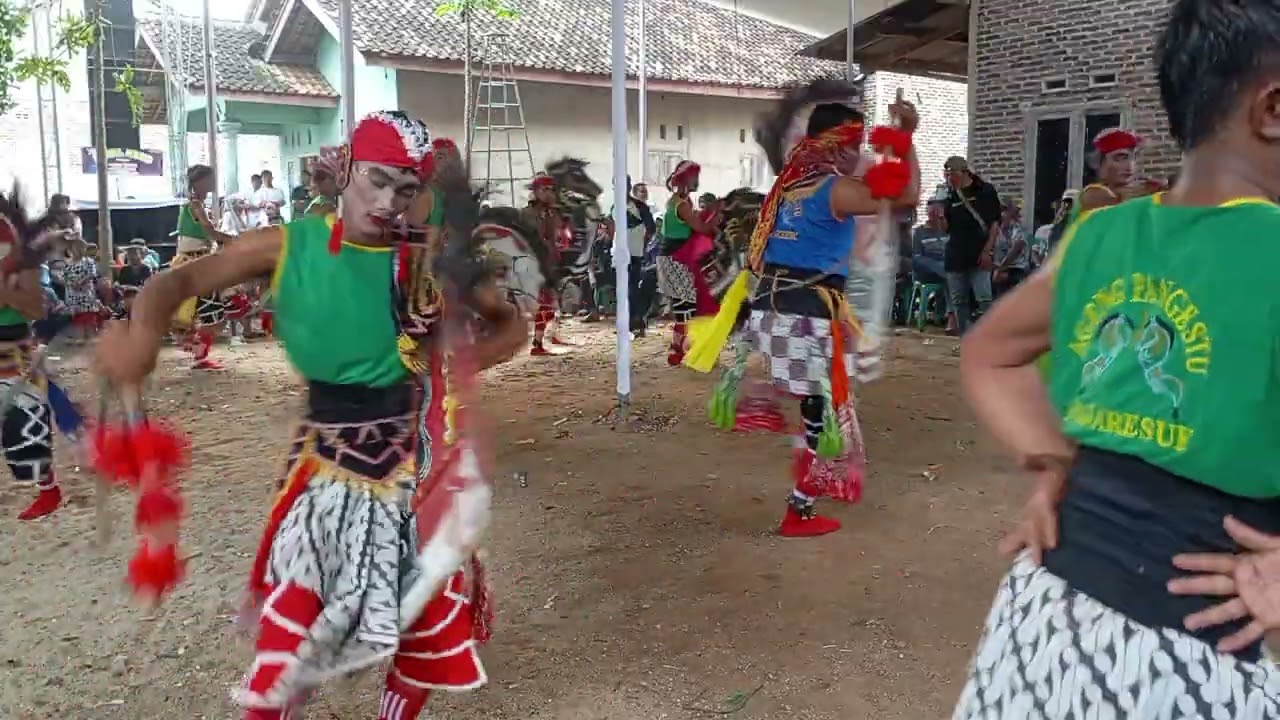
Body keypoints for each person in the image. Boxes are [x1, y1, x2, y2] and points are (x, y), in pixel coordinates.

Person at [94, 111, 528, 720]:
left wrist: (459, 361)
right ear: (346, 167)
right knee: (289, 635)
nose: (387, 201)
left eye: (405, 189)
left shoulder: (434, 260)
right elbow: (172, 285)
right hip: (327, 469)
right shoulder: (286, 244)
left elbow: (513, 323)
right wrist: (141, 340)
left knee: (428, 622)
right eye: (376, 180)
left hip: (420, 463)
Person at [953, 2, 1280, 715]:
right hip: (1188, 659)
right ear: (1273, 107)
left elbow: (990, 353)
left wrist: (1055, 461)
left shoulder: (1098, 237)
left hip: (1041, 623)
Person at [707, 93, 920, 537]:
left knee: (815, 409)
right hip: (805, 315)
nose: (860, 154)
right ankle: (798, 509)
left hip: (773, 311)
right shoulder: (833, 188)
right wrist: (905, 137)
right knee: (821, 414)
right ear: (838, 144)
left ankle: (802, 500)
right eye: (857, 143)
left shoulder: (787, 186)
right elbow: (907, 196)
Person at [173, 165, 237, 370]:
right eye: (210, 179)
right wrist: (237, 239)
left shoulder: (195, 205)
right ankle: (198, 353)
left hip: (196, 260)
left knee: (208, 313)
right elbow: (210, 233)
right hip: (197, 262)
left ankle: (199, 354)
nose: (213, 182)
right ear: (199, 182)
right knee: (213, 314)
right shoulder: (195, 206)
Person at [656, 161, 719, 366]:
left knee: (686, 305)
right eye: (694, 178)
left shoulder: (680, 201)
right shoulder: (682, 205)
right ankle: (679, 350)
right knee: (686, 306)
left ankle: (680, 348)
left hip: (674, 256)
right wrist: (716, 216)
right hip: (675, 258)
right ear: (685, 180)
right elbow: (702, 228)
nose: (697, 182)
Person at [941, 156, 1001, 334]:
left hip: (978, 252)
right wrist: (940, 218)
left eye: (953, 174)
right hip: (955, 254)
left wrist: (987, 251)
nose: (950, 178)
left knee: (984, 298)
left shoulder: (985, 191)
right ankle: (965, 338)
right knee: (959, 300)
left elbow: (994, 224)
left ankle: (989, 337)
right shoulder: (950, 195)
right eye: (947, 175)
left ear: (964, 172)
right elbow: (947, 229)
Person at [1070, 128, 1165, 223]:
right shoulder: (1093, 194)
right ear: (1099, 163)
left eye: (1133, 158)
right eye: (1120, 158)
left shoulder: (1146, 189)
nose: (1129, 166)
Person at [522, 172, 570, 355]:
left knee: (549, 304)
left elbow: (555, 236)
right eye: (545, 190)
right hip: (533, 264)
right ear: (536, 191)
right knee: (546, 304)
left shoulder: (550, 212)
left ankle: (539, 340)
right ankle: (537, 342)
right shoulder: (528, 214)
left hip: (546, 263)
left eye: (551, 190)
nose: (549, 193)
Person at [622, 176, 656, 335]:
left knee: (632, 288)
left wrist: (641, 242)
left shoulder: (639, 207)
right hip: (618, 254)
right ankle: (630, 322)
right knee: (623, 289)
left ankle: (635, 322)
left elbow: (651, 228)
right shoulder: (616, 205)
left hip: (634, 253)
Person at [61, 238, 103, 342]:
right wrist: (70, 283)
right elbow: (64, 276)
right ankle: (79, 338)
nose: (78, 249)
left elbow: (92, 274)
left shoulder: (88, 261)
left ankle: (90, 338)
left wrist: (80, 282)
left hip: (86, 294)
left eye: (81, 247)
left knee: (88, 317)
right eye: (76, 247)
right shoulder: (68, 263)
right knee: (77, 318)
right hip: (73, 295)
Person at [991, 198, 1029, 296]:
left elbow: (1016, 249)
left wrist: (1000, 269)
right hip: (996, 270)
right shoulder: (995, 229)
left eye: (1005, 210)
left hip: (1016, 269)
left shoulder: (1018, 228)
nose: (1002, 213)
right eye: (1001, 210)